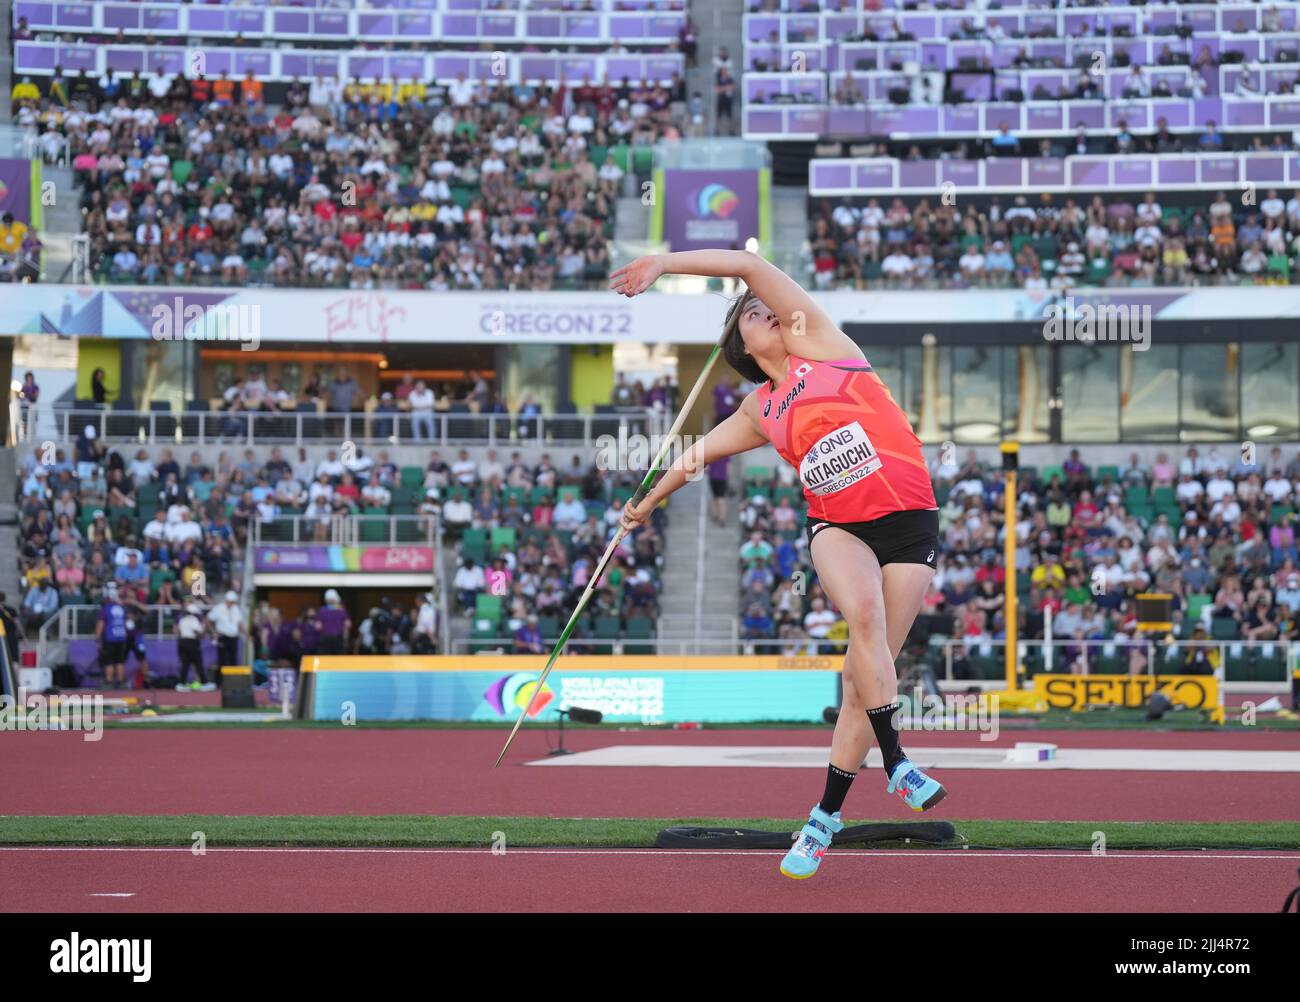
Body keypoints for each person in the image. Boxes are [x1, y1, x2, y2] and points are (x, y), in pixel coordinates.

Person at [611, 249, 945, 880]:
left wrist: (663, 262)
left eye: (766, 304)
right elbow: (693, 457)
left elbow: (745, 263)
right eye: (751, 313)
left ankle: (823, 819)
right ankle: (898, 759)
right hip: (838, 527)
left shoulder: (822, 343)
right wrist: (645, 503)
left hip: (909, 523)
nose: (764, 307)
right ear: (740, 340)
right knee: (864, 619)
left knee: (863, 678)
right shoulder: (760, 411)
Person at [176, 601, 211, 690]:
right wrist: (203, 627)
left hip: (182, 642)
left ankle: (181, 683)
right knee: (198, 664)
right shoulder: (193, 620)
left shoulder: (182, 620)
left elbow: (179, 631)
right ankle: (204, 683)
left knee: (185, 664)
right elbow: (198, 633)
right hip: (191, 643)